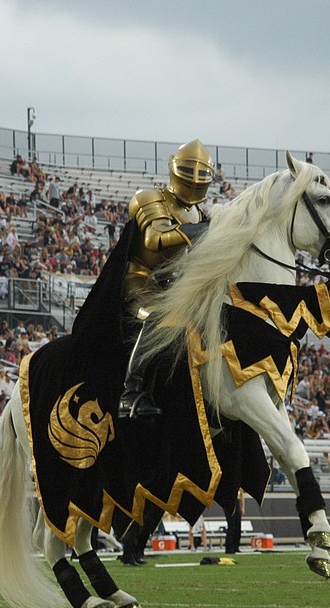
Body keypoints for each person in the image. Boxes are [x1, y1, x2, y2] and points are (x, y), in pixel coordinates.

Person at [118, 139, 215, 419]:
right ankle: (131, 392)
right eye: (189, 172)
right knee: (155, 316)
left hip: (175, 285)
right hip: (140, 280)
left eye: (200, 176)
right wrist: (199, 229)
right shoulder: (149, 198)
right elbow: (155, 237)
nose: (194, 181)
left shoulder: (198, 212)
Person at [224, 488, 245, 554]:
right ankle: (229, 548)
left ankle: (236, 546)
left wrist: (242, 507)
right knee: (231, 525)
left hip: (237, 501)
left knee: (238, 525)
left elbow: (242, 496)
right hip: (229, 501)